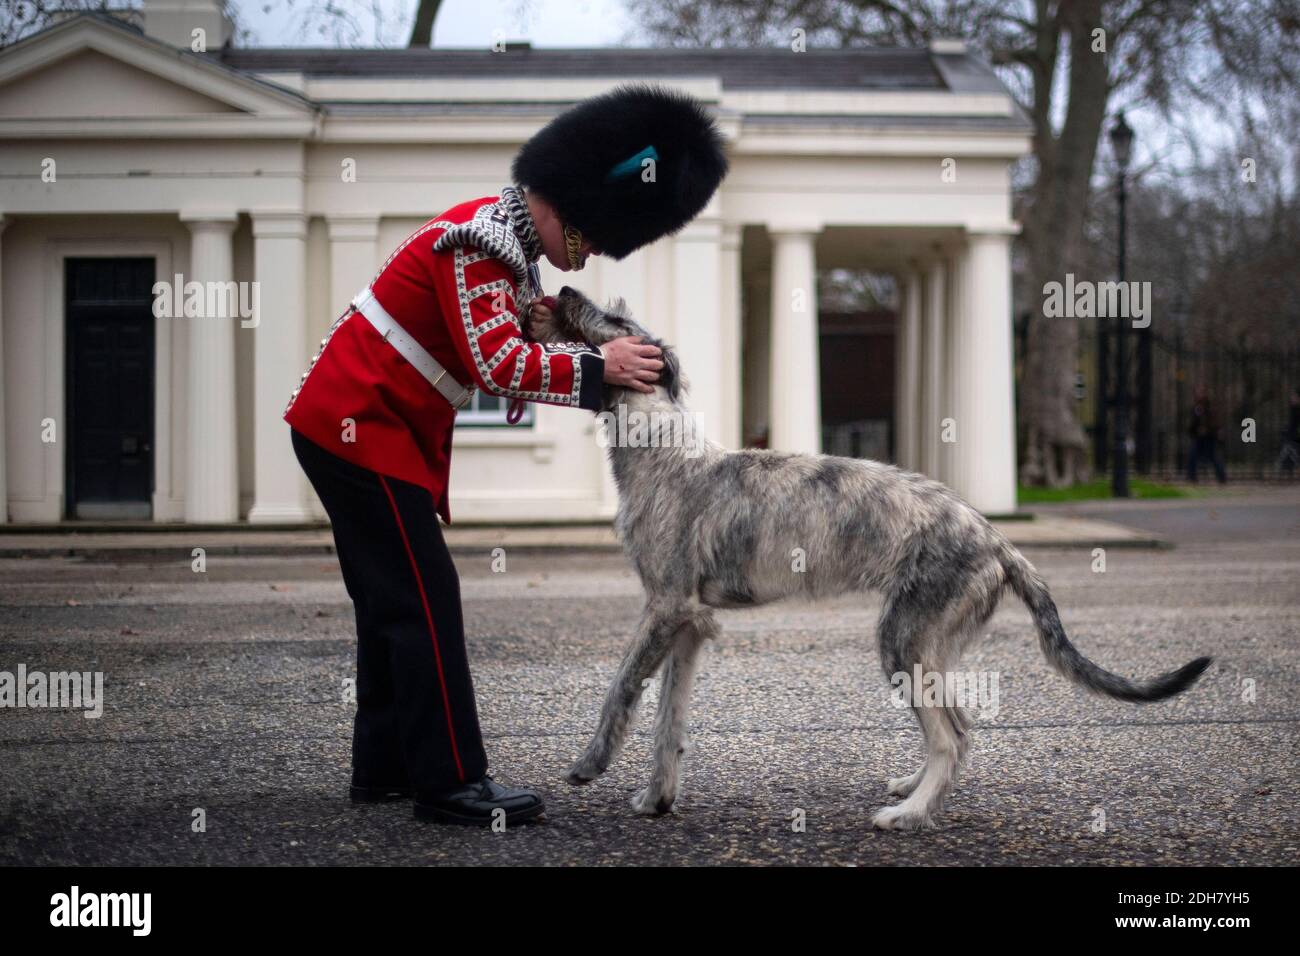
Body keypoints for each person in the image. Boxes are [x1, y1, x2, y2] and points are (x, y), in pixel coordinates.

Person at [282, 85, 728, 826]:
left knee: (390, 606)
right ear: (559, 199)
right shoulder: (483, 241)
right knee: (426, 602)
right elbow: (497, 363)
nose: (583, 253)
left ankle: (385, 768)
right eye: (585, 236)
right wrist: (602, 369)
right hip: (360, 425)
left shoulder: (507, 250)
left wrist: (584, 340)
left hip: (364, 427)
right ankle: (452, 781)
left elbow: (514, 336)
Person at [1186, 383, 1226, 484]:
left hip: (1209, 436)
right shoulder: (1195, 407)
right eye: (1198, 392)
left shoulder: (1210, 407)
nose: (1200, 394)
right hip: (1198, 437)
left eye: (1202, 392)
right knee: (1192, 456)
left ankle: (1222, 478)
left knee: (1213, 457)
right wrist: (1195, 430)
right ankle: (1192, 478)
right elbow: (1192, 423)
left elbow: (1215, 421)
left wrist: (1210, 429)